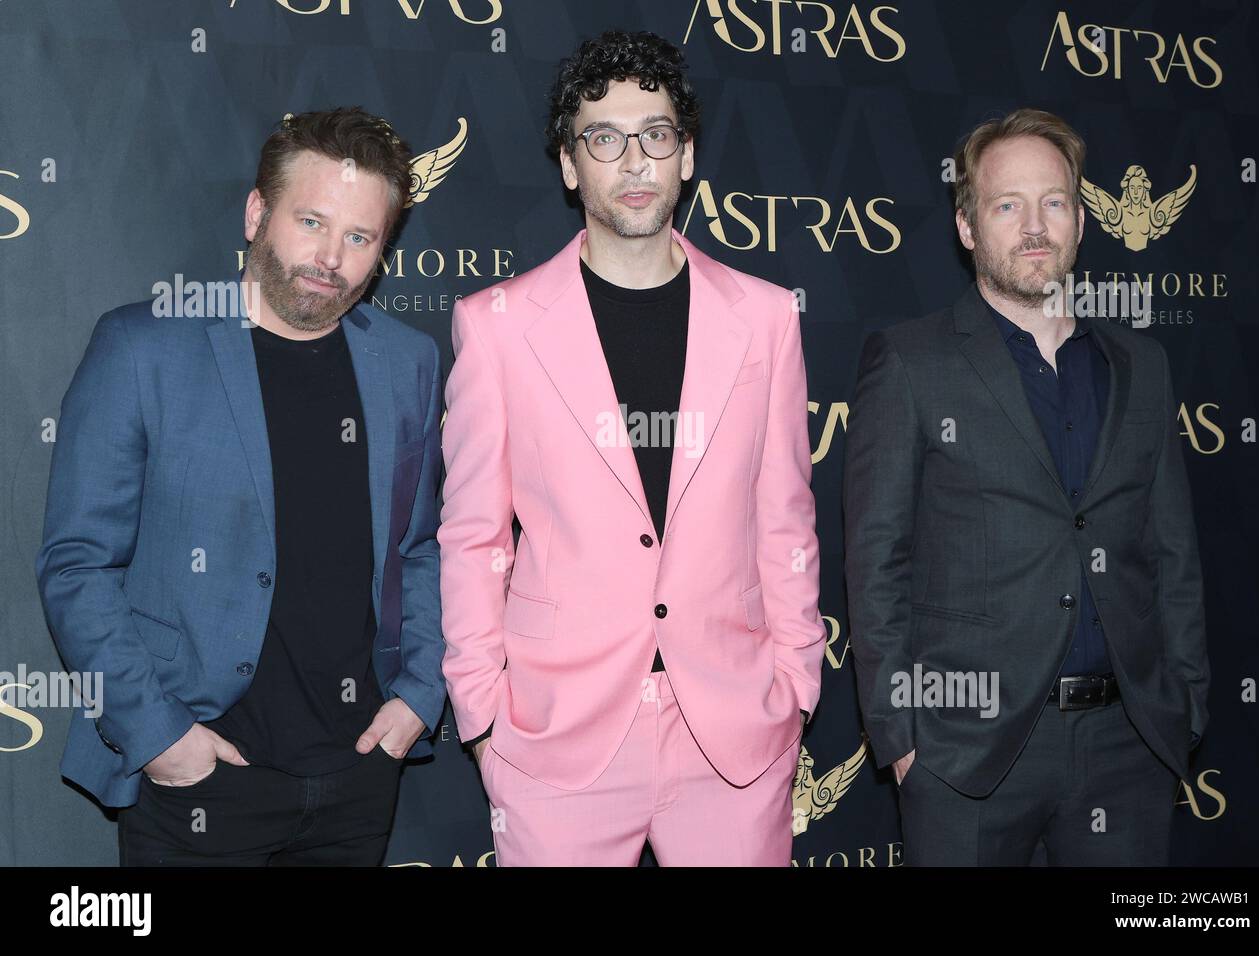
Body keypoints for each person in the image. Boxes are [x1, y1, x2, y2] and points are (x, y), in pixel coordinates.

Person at [438, 30, 825, 866]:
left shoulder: (764, 318)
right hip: (553, 735)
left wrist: (796, 683)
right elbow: (473, 536)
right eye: (604, 139)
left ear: (686, 156)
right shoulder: (495, 328)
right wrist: (481, 711)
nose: (635, 161)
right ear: (572, 165)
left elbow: (785, 517)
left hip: (733, 732)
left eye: (656, 135)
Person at [36, 107, 446, 866]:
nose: (331, 257)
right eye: (312, 221)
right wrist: (157, 734)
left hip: (359, 774)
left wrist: (420, 693)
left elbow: (418, 548)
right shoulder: (144, 347)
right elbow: (77, 565)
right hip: (200, 771)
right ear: (258, 211)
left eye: (360, 237)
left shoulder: (406, 363)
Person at [844, 108, 1209, 865]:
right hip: (965, 755)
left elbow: (1173, 552)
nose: (1034, 226)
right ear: (969, 225)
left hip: (1127, 744)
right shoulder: (912, 362)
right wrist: (903, 739)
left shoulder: (1141, 366)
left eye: (1054, 202)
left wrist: (1184, 701)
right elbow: (878, 560)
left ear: (1080, 219)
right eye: (1007, 205)